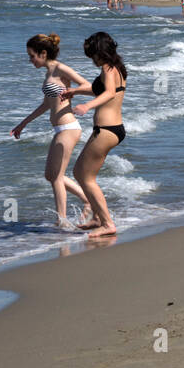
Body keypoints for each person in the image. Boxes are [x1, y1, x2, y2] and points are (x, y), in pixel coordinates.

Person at [12, 33, 93, 227]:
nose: (30, 60)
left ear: (43, 53)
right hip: (60, 129)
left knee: (56, 177)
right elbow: (46, 104)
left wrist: (72, 91)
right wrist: (23, 123)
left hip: (68, 127)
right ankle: (88, 201)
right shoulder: (48, 74)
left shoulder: (60, 68)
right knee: (51, 175)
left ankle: (62, 220)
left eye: (32, 56)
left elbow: (88, 85)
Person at [61, 32, 127, 239]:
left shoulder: (108, 69)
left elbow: (108, 93)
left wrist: (87, 106)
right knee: (81, 173)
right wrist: (77, 92)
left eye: (92, 55)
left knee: (86, 177)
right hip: (110, 129)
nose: (92, 60)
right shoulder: (116, 68)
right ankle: (99, 218)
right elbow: (101, 90)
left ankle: (107, 223)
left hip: (107, 130)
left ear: (100, 52)